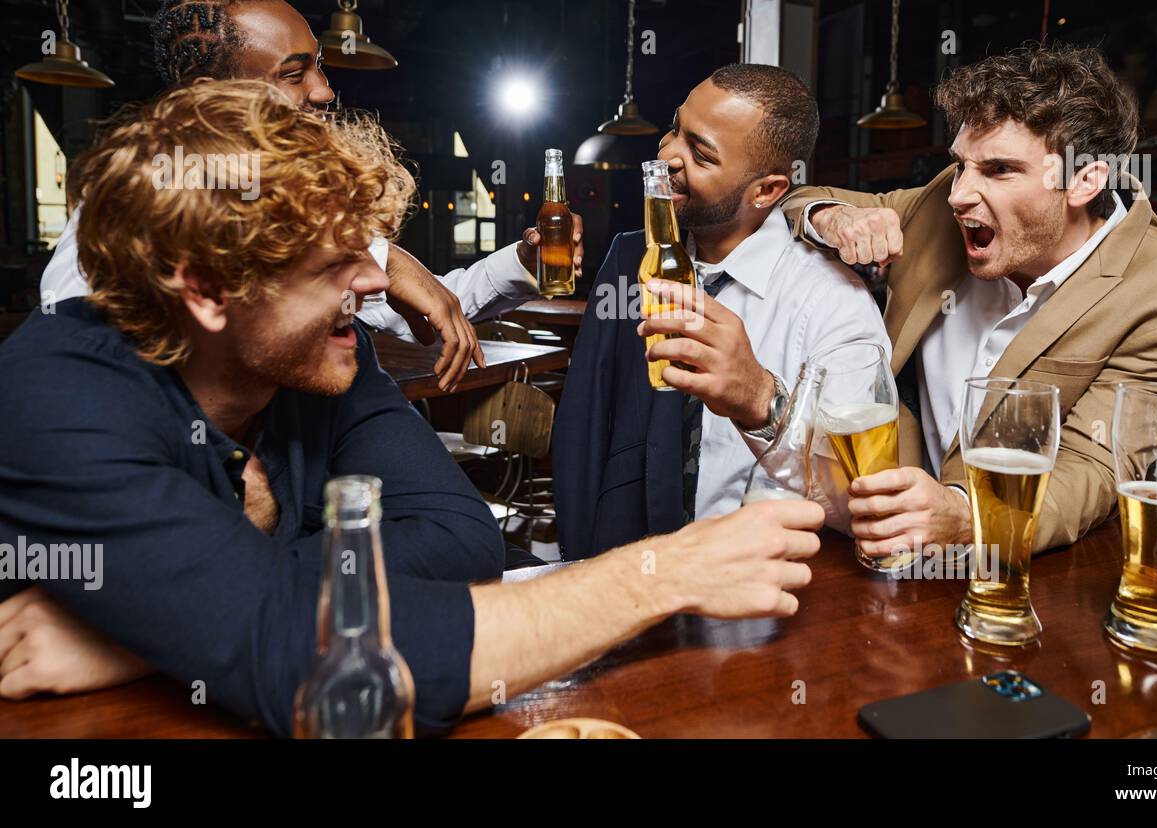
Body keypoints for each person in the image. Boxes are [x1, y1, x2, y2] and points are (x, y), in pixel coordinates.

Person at [0, 80, 822, 734]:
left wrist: (168, 622)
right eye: (336, 265)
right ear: (209, 288)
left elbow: (464, 542)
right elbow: (317, 680)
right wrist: (663, 573)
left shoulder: (326, 358)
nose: (373, 283)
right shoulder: (55, 392)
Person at [781, 43, 1157, 559]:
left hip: (1013, 572)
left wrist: (962, 514)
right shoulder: (945, 203)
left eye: (999, 169)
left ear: (1085, 180)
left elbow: (1092, 471)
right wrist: (834, 217)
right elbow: (796, 198)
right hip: (865, 535)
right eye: (960, 166)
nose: (959, 194)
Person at [39, 0, 584, 391]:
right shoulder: (134, 205)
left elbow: (425, 309)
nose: (324, 91)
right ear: (213, 95)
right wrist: (382, 254)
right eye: (294, 73)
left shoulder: (304, 215)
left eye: (319, 66)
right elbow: (69, 351)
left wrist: (523, 264)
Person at [554, 64, 888, 559]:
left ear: (768, 190)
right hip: (626, 576)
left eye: (700, 153)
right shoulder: (631, 260)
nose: (667, 154)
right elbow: (583, 426)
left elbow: (858, 501)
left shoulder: (833, 303)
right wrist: (578, 562)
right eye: (674, 129)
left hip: (754, 588)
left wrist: (760, 399)